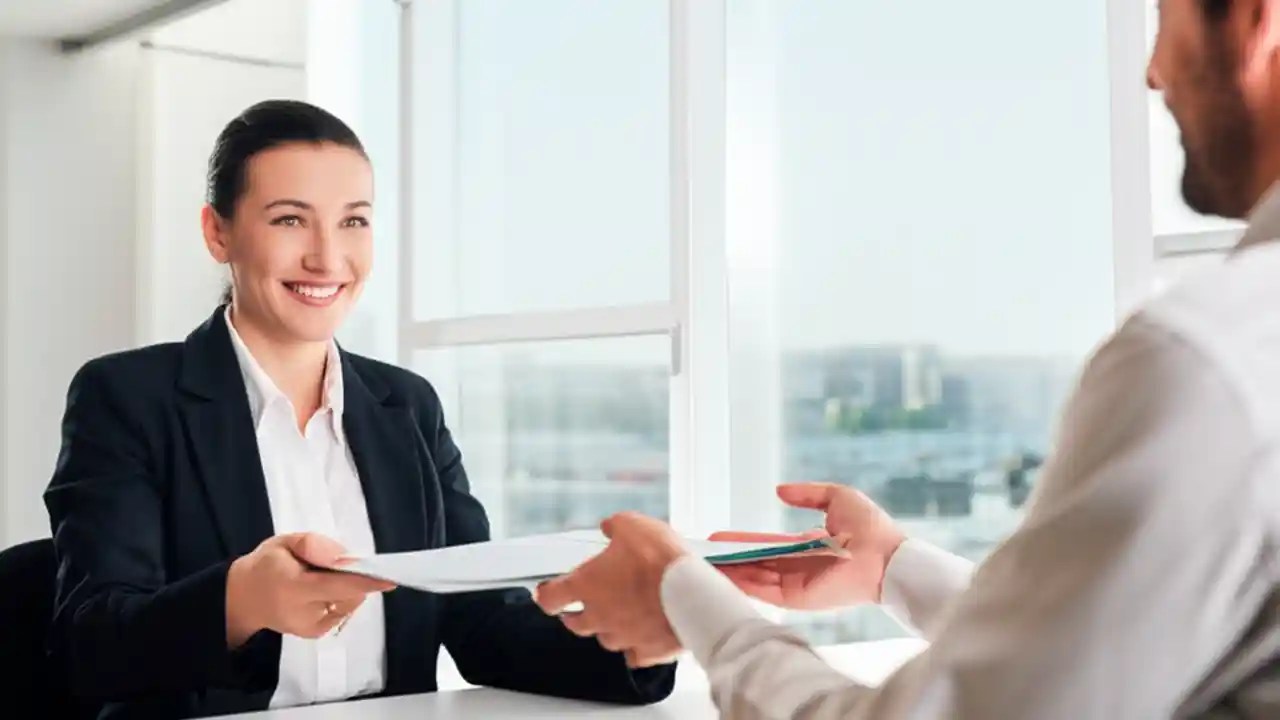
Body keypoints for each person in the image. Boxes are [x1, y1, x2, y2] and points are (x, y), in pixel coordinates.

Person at [534, 0, 1280, 717]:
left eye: (1163, 18)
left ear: (1255, 20)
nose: (1153, 71)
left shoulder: (1203, 362)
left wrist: (687, 600)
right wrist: (894, 567)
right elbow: (1124, 651)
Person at [43, 100, 675, 719]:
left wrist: (645, 638)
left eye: (353, 221)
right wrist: (240, 601)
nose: (327, 257)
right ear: (218, 232)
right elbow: (89, 646)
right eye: (290, 220)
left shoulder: (406, 406)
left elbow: (481, 625)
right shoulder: (129, 397)